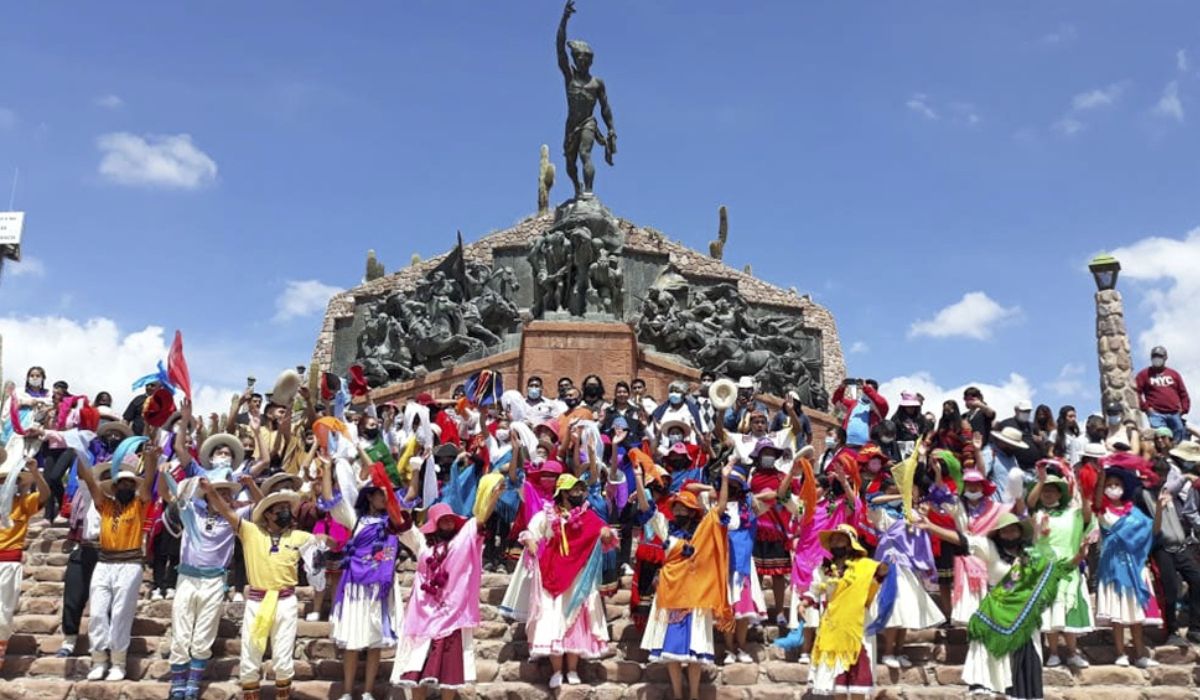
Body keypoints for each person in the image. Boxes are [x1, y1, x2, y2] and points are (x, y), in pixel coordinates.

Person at [202, 479, 326, 700]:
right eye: (280, 510)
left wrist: (327, 542)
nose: (285, 513)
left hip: (286, 600)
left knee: (283, 657)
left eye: (287, 509)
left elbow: (326, 547)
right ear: (268, 515)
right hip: (258, 601)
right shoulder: (251, 532)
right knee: (250, 655)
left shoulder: (299, 537)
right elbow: (226, 511)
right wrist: (211, 491)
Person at [639, 474, 734, 700]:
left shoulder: (704, 529)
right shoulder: (665, 528)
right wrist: (637, 478)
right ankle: (678, 694)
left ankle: (693, 695)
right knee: (671, 653)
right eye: (677, 508)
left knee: (694, 652)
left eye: (684, 508)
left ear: (693, 511)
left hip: (697, 595)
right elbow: (646, 508)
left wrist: (725, 477)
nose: (680, 512)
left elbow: (721, 507)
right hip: (671, 593)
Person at [164, 467, 252, 700]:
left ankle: (193, 685)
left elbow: (261, 506)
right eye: (219, 491)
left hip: (214, 580)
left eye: (227, 492)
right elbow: (170, 495)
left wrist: (250, 486)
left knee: (204, 632)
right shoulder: (193, 512)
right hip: (187, 577)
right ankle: (178, 684)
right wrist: (164, 473)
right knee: (181, 629)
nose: (224, 496)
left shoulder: (235, 518)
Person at [520, 472, 615, 688]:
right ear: (562, 493)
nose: (579, 493)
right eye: (574, 490)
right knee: (553, 619)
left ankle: (572, 670)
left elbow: (601, 529)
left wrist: (607, 533)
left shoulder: (586, 515)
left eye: (581, 490)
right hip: (552, 573)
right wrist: (531, 542)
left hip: (577, 577)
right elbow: (531, 532)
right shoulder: (547, 515)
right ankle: (556, 671)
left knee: (573, 619)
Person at [392, 501, 494, 700]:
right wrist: (390, 500)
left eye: (450, 520)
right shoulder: (422, 545)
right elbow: (404, 527)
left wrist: (493, 497)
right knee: (416, 667)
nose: (448, 524)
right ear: (434, 524)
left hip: (451, 616)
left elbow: (479, 521)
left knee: (450, 673)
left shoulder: (460, 543)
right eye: (443, 521)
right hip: (422, 616)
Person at [78, 445, 161, 681]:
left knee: (121, 612)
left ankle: (118, 662)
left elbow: (149, 482)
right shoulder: (105, 505)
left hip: (130, 563)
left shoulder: (139, 504)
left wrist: (151, 459)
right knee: (96, 613)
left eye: (129, 484)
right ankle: (98, 660)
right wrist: (79, 452)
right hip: (104, 563)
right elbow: (92, 484)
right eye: (121, 484)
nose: (126, 487)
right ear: (114, 488)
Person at [806, 524, 887, 700]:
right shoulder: (824, 568)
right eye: (833, 539)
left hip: (858, 627)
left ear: (851, 544)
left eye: (840, 539)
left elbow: (880, 573)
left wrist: (887, 561)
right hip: (833, 627)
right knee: (837, 683)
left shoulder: (864, 566)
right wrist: (805, 602)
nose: (836, 543)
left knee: (859, 681)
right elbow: (814, 590)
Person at [1093, 465, 1161, 668]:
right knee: (1117, 613)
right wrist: (1101, 477)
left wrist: (1160, 509)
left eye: (1117, 484)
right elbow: (1096, 503)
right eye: (1109, 485)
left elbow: (1153, 530)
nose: (1113, 488)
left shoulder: (1135, 512)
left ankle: (1140, 655)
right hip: (1112, 566)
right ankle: (1120, 653)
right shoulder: (1102, 510)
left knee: (1135, 615)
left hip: (1135, 565)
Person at [1026, 462, 1093, 668]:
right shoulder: (1037, 515)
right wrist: (1042, 479)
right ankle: (1053, 652)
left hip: (1070, 567)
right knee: (1050, 612)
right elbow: (1029, 503)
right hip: (1045, 568)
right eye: (1045, 491)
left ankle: (1072, 652)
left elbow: (1087, 516)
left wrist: (1084, 490)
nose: (1048, 494)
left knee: (1069, 610)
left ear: (1059, 494)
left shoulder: (1072, 514)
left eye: (1052, 491)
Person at [0, 454, 50, 670]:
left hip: (9, 563)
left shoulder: (24, 503)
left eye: (10, 482)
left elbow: (46, 495)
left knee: (3, 610)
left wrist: (36, 473)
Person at [1137, 346, 1191, 443]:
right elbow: (1136, 392)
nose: (1157, 358)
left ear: (1165, 357)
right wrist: (1146, 408)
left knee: (1179, 436)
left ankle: (1176, 457)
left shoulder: (1174, 374)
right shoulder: (1144, 374)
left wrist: (1184, 409)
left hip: (1174, 413)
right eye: (1154, 356)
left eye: (1159, 356)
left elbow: (1183, 393)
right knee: (1162, 437)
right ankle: (1163, 457)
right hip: (1156, 413)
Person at [830, 379, 888, 449]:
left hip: (867, 448)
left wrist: (866, 388)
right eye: (864, 389)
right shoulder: (854, 404)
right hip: (848, 445)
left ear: (875, 392)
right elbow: (837, 401)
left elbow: (882, 403)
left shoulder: (878, 409)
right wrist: (842, 387)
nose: (865, 391)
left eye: (869, 389)